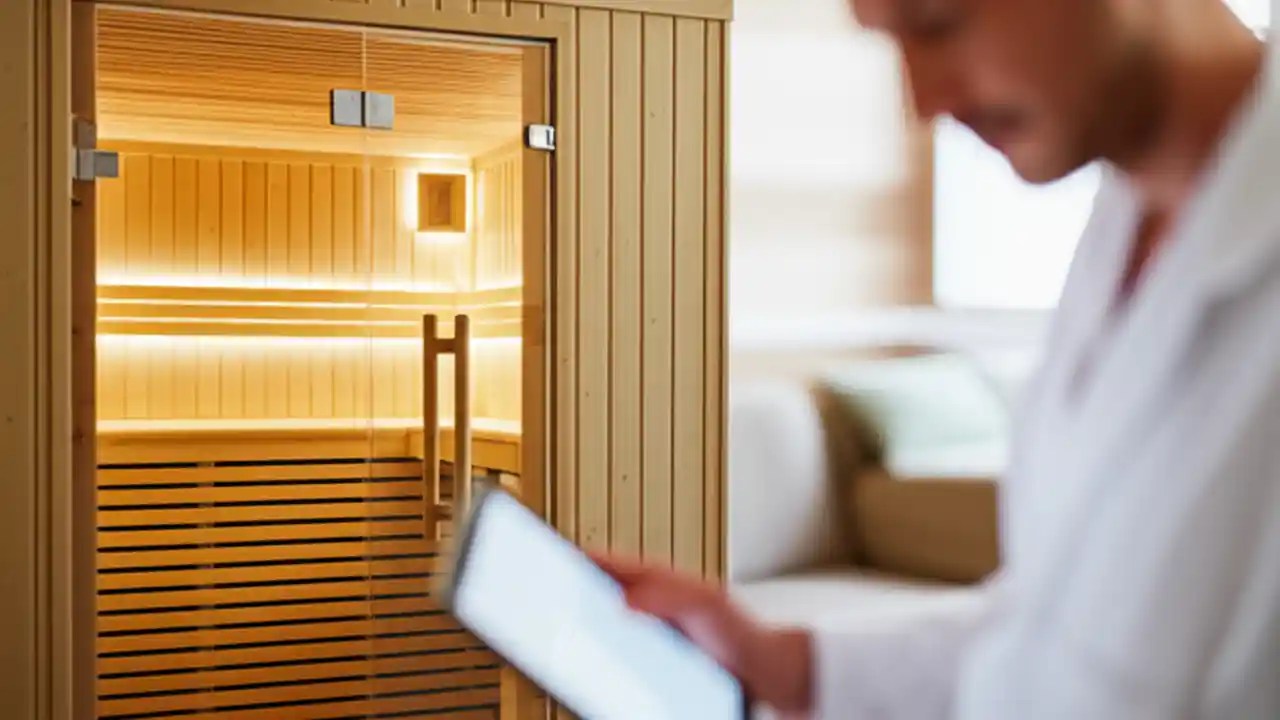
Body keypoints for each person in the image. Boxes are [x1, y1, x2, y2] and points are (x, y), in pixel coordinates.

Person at [595, 0, 1280, 717]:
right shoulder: (1126, 225)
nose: (924, 103)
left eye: (939, 21)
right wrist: (785, 664)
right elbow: (1045, 623)